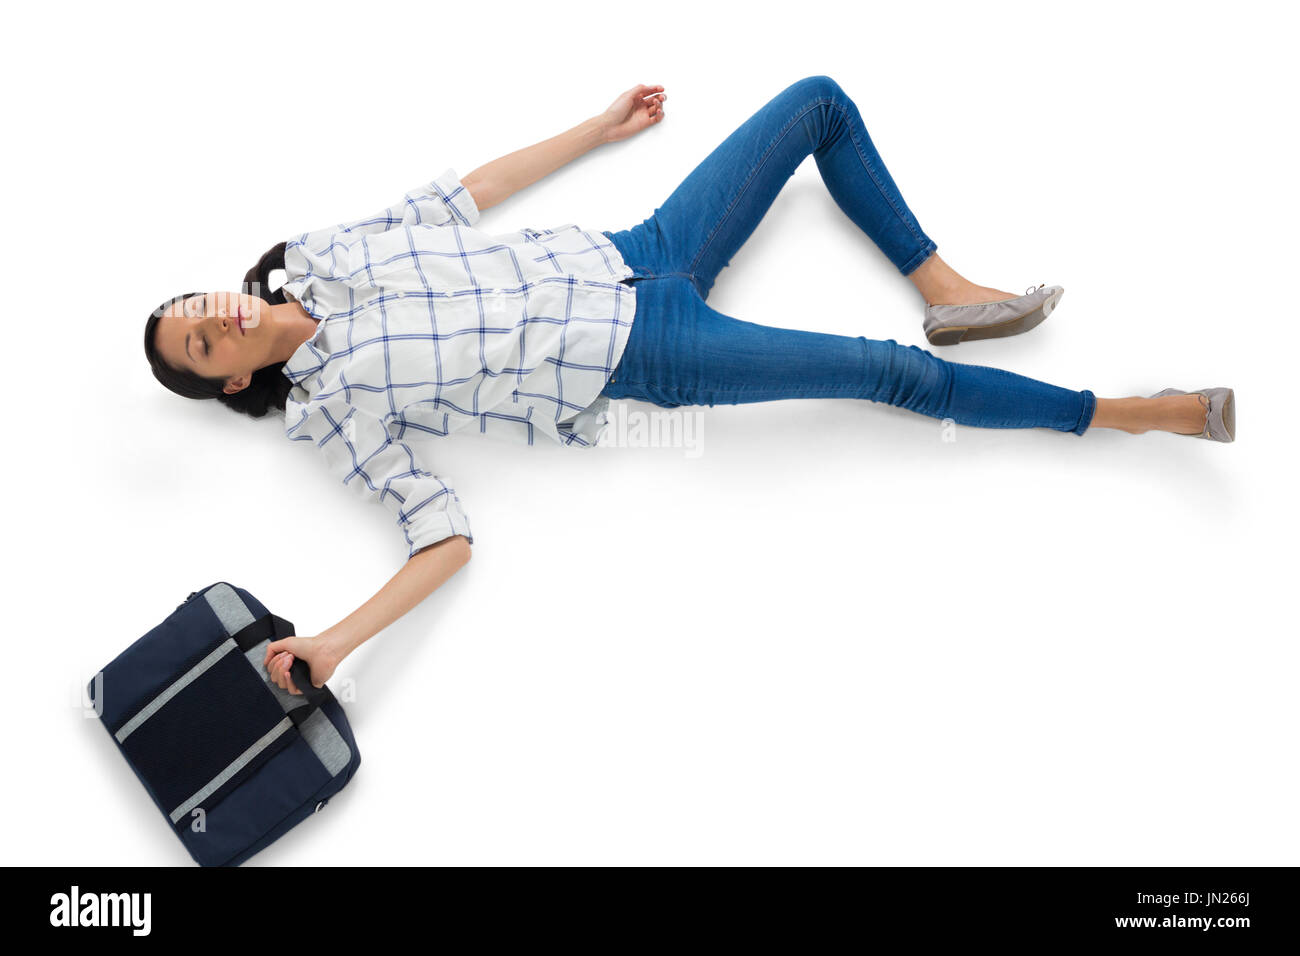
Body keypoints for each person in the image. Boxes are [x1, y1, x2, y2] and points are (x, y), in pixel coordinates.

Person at [142, 75, 1235, 697]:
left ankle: (942, 281)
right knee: (881, 373)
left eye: (199, 307)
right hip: (642, 352)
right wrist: (334, 643)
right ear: (232, 379)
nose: (215, 321)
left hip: (639, 243)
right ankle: (1128, 411)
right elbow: (442, 536)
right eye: (201, 348)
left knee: (816, 101)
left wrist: (595, 127)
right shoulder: (334, 413)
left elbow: (459, 194)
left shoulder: (322, 251)